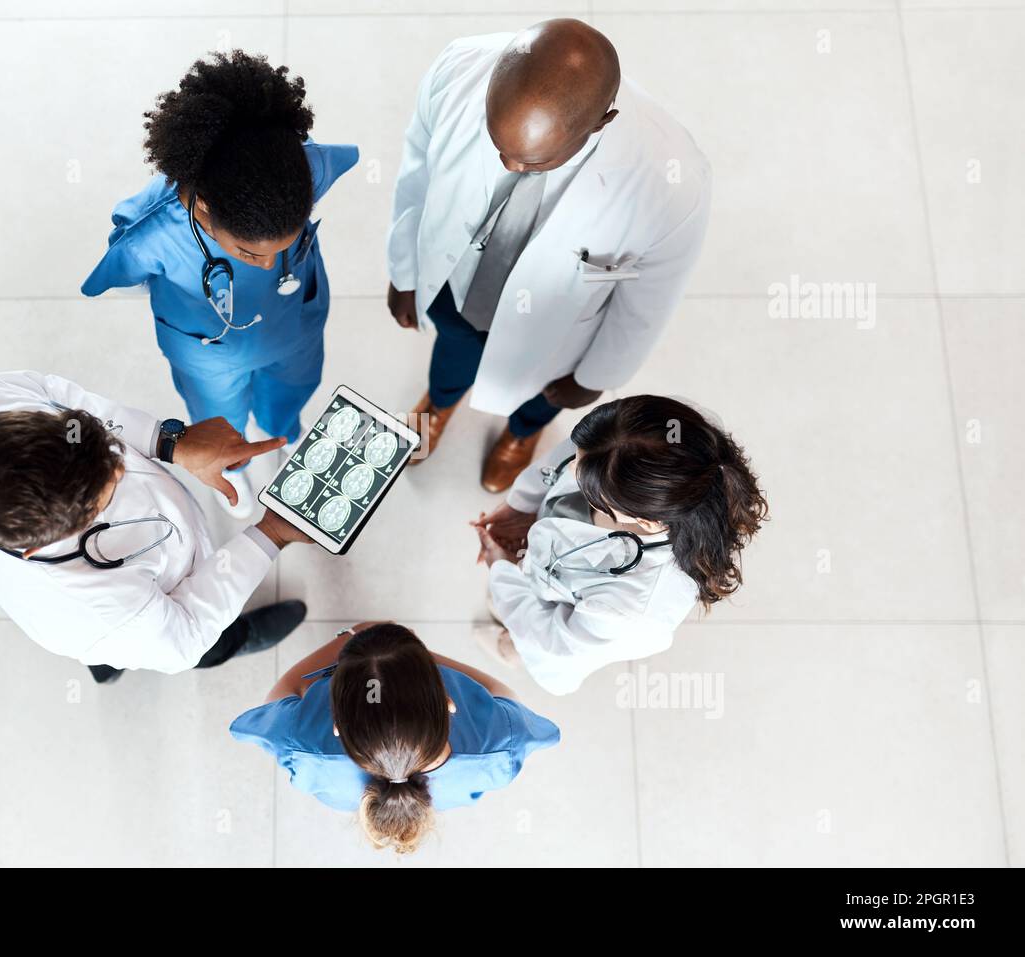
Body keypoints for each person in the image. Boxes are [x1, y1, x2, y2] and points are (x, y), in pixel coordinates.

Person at [386, 19, 712, 492]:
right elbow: (416, 165)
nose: (511, 166)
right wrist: (404, 270)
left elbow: (649, 301)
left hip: (558, 334)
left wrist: (598, 375)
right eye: (500, 145)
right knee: (452, 349)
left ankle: (523, 433)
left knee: (547, 391)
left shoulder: (674, 185)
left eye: (534, 161)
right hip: (458, 282)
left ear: (601, 123)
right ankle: (439, 403)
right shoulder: (459, 65)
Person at [83, 50, 359, 518]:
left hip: (296, 326)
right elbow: (106, 278)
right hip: (209, 351)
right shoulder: (150, 234)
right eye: (251, 253)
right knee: (217, 416)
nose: (270, 266)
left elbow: (344, 157)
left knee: (292, 391)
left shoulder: (303, 170)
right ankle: (230, 468)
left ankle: (285, 433)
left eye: (283, 245)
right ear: (206, 208)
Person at [0, 370, 315, 682]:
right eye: (108, 487)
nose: (123, 462)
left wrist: (169, 443)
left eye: (108, 449)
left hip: (104, 616)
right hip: (118, 625)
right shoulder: (103, 610)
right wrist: (271, 535)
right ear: (51, 540)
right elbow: (187, 634)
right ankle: (234, 640)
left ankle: (107, 665)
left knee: (120, 643)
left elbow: (54, 392)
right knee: (196, 644)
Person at [471, 395, 768, 696]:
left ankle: (511, 645)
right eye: (577, 458)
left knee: (527, 634)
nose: (572, 469)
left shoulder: (635, 605)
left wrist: (502, 570)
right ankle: (513, 598)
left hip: (555, 625)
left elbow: (554, 643)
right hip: (539, 567)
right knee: (517, 592)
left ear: (647, 522)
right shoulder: (637, 436)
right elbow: (558, 464)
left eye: (589, 486)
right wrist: (521, 506)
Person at [230, 621, 559, 854]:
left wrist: (354, 636)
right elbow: (505, 696)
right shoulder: (501, 747)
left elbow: (278, 697)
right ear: (449, 704)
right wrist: (416, 654)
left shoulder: (300, 748)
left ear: (338, 727)